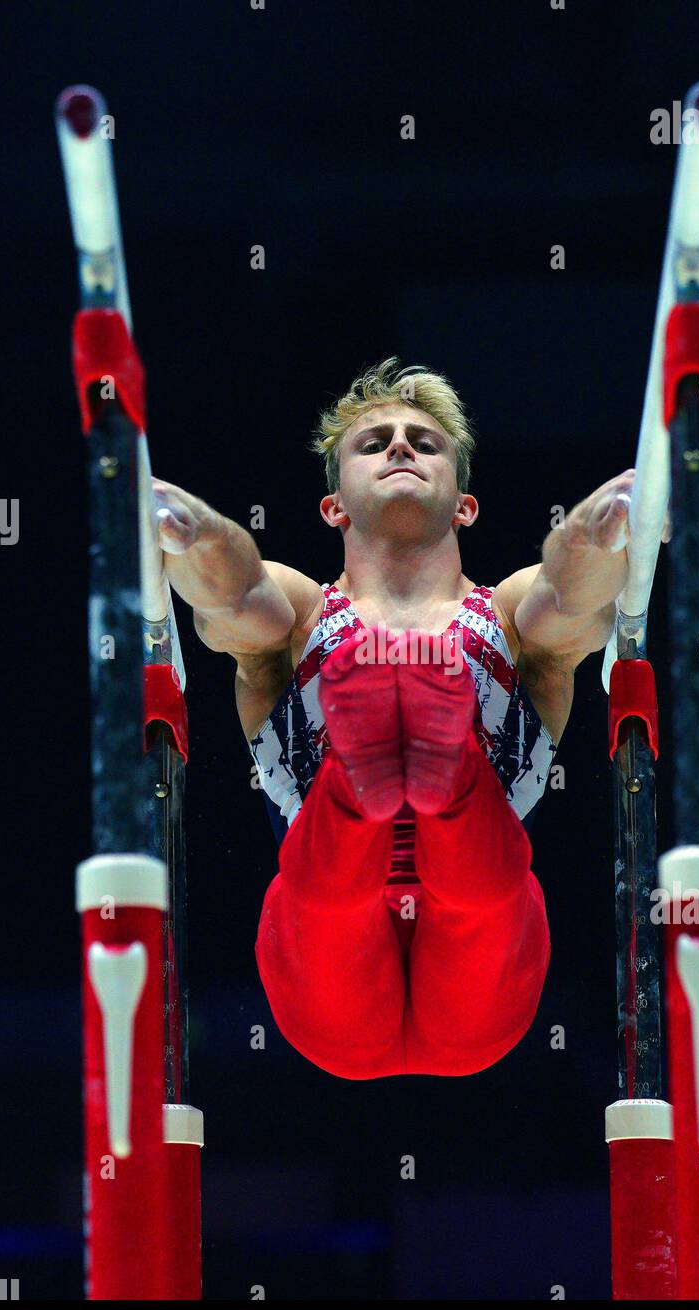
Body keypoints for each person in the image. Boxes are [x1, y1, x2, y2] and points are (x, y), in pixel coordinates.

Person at [157, 358, 642, 1080]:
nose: (400, 448)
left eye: (423, 440)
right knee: (331, 896)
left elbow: (571, 595)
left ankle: (400, 771)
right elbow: (234, 589)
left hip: (474, 948)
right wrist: (190, 532)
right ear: (334, 507)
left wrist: (604, 530)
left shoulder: (508, 614)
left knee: (468, 892)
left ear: (464, 505)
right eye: (373, 440)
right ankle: (398, 771)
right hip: (334, 950)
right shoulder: (301, 614)